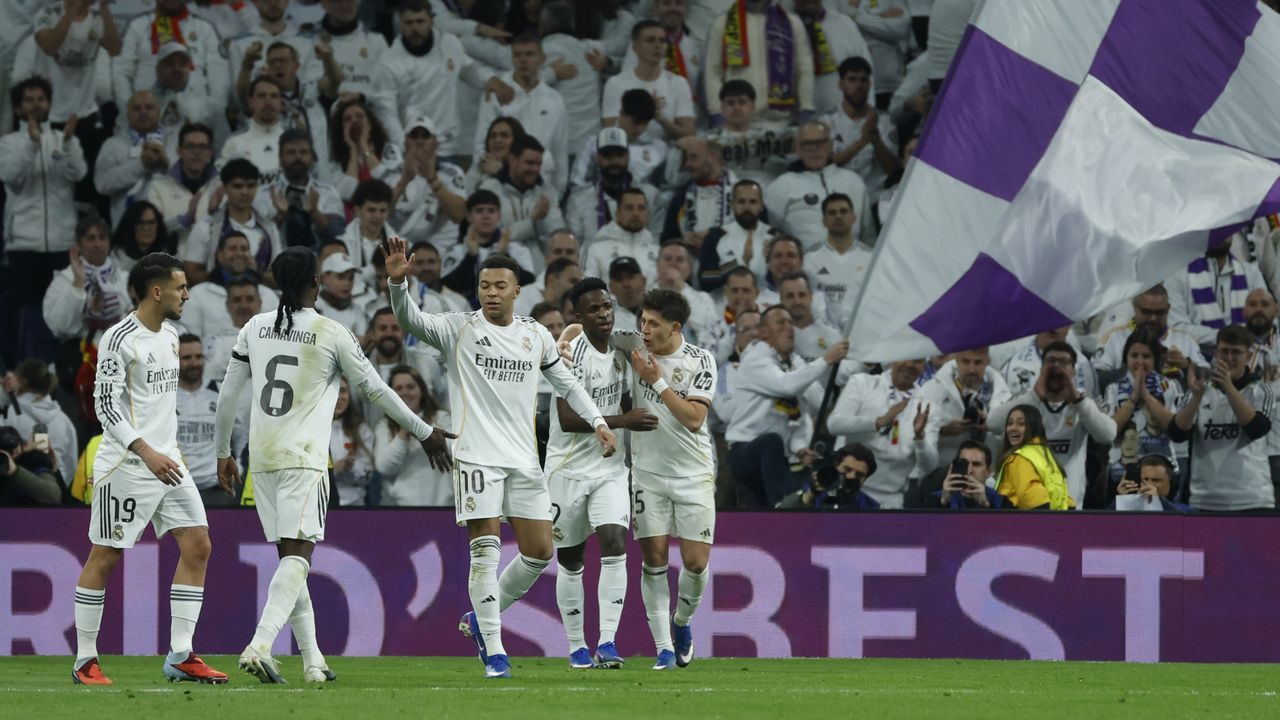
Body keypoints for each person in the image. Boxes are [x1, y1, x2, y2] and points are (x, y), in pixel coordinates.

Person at [212, 246, 453, 683]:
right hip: (305, 460)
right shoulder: (330, 331)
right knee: (300, 557)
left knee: (290, 558)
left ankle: (313, 663)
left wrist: (223, 452)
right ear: (313, 283)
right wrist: (424, 431)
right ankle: (260, 644)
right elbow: (377, 390)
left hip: (262, 460)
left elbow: (228, 395)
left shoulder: (255, 327)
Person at [385, 239, 616, 679]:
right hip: (476, 458)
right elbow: (408, 317)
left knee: (539, 552)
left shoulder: (535, 335)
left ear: (516, 292)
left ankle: (478, 621)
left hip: (525, 460)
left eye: (499, 286)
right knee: (485, 553)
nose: (490, 292)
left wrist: (600, 421)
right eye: (484, 285)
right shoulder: (458, 328)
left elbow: (567, 384)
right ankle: (494, 649)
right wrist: (399, 281)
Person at [72, 252, 228, 685]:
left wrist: (166, 452)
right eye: (180, 287)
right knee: (105, 556)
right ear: (156, 291)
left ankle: (181, 654)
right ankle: (85, 660)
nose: (187, 294)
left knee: (198, 544)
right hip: (128, 463)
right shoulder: (119, 338)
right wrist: (145, 451)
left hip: (168, 461)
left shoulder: (173, 336)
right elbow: (105, 407)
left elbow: (159, 407)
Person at [550, 277, 659, 669]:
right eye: (594, 309)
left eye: (607, 306)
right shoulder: (567, 354)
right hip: (567, 469)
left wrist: (635, 412)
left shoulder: (620, 350)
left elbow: (627, 397)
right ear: (578, 315)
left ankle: (608, 642)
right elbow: (564, 418)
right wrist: (624, 420)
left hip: (610, 469)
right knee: (571, 559)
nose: (604, 314)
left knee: (615, 543)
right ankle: (576, 644)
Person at [628, 288, 718, 670]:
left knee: (695, 563)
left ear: (675, 327)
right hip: (647, 472)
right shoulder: (630, 352)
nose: (645, 330)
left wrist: (657, 381)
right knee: (655, 558)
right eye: (642, 321)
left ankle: (681, 623)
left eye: (654, 324)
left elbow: (695, 419)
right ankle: (663, 646)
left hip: (694, 472)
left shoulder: (700, 360)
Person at [727, 304, 848, 508]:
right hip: (744, 453)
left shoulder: (793, 364)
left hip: (775, 461)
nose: (788, 327)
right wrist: (826, 359)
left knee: (764, 516)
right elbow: (787, 386)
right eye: (780, 322)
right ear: (764, 332)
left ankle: (783, 514)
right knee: (772, 443)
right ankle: (783, 509)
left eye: (791, 322)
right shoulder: (755, 359)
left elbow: (814, 404)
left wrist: (800, 449)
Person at [1, 76, 88, 358]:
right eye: (29, 100)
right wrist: (31, 143)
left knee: (62, 315)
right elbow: (10, 177)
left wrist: (69, 144)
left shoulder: (64, 138)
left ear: (49, 104)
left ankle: (62, 373)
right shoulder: (9, 143)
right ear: (17, 109)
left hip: (63, 244)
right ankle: (22, 375)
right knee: (25, 317)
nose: (36, 104)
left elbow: (79, 174)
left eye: (41, 99)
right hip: (24, 246)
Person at [371, 0, 512, 154]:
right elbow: (386, 112)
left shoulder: (449, 43)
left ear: (431, 20)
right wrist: (403, 147)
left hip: (450, 147)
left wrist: (489, 79)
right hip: (412, 148)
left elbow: (468, 67)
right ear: (400, 23)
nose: (415, 28)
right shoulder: (388, 62)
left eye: (420, 21)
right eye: (409, 23)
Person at [989, 341, 1117, 509]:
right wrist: (1033, 396)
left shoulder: (1083, 405)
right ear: (1041, 369)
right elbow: (993, 424)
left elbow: (1108, 435)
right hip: (1027, 504)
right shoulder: (1028, 401)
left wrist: (1078, 401)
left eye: (1064, 362)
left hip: (1069, 505)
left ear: (1073, 371)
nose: (1056, 367)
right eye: (1050, 361)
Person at [1168, 325, 1275, 512]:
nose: (1229, 358)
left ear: (1248, 357)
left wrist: (1228, 387)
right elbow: (1177, 433)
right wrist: (1196, 398)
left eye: (1236, 352)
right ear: (1216, 354)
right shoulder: (1199, 391)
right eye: (1224, 351)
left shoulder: (1260, 390)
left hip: (1252, 500)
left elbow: (1256, 428)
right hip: (1205, 500)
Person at [826, 358, 937, 508]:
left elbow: (929, 466)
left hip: (890, 500)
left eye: (917, 361)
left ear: (924, 367)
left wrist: (920, 438)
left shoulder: (927, 406)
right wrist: (878, 422)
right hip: (847, 486)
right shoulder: (862, 383)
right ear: (893, 358)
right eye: (906, 357)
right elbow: (834, 424)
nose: (910, 365)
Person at [475, 34, 569, 194]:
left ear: (542, 58)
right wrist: (499, 174)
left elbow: (560, 151)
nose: (523, 60)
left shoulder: (554, 99)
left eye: (529, 54)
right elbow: (481, 146)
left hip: (540, 187)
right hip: (500, 186)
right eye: (518, 55)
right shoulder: (497, 93)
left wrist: (557, 194)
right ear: (512, 59)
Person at [704, 0, 813, 129]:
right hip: (737, 124)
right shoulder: (724, 23)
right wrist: (716, 112)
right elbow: (713, 72)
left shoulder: (792, 23)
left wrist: (806, 108)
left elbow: (804, 70)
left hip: (783, 121)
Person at [764, 120, 873, 249]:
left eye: (819, 143)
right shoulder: (782, 186)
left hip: (854, 263)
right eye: (807, 144)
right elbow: (771, 230)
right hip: (804, 265)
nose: (814, 149)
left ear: (830, 146)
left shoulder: (854, 181)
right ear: (798, 149)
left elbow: (869, 234)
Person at [184, 159, 284, 285]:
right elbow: (191, 272)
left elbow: (280, 276)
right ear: (225, 188)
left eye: (250, 185)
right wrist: (224, 277)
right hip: (216, 297)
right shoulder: (205, 227)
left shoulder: (270, 229)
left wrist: (256, 275)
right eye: (238, 186)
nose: (245, 192)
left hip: (260, 299)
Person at [1103, 329, 1181, 482]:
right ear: (1126, 357)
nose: (1140, 361)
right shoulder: (1113, 389)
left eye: (1146, 356)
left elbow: (1175, 429)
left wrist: (1146, 396)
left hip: (1161, 471)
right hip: (1121, 471)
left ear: (1155, 359)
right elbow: (1109, 433)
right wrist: (1133, 398)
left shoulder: (1170, 386)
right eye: (1134, 355)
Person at [175, 334, 244, 507]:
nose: (194, 363)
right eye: (187, 358)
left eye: (198, 357)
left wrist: (240, 464)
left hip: (216, 489)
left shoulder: (221, 392)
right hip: (177, 488)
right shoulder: (165, 396)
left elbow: (240, 434)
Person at [478, 134, 566, 269]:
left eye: (539, 164)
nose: (536, 170)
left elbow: (555, 241)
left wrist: (541, 223)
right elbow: (491, 236)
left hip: (539, 273)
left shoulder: (547, 193)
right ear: (513, 159)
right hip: (499, 269)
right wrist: (532, 223)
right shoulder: (490, 189)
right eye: (530, 163)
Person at [42, 216, 131, 345]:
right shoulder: (64, 280)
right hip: (79, 353)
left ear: (109, 243)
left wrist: (118, 310)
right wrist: (78, 284)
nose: (97, 244)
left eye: (102, 238)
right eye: (90, 238)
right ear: (79, 244)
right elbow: (60, 327)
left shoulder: (124, 278)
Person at [565, 127, 661, 246]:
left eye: (619, 155)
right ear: (598, 158)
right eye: (607, 155)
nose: (614, 161)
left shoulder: (650, 195)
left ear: (628, 156)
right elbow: (574, 247)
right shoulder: (578, 199)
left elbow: (656, 242)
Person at [603, 19, 695, 142]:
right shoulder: (616, 83)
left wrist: (660, 118)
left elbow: (688, 134)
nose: (657, 46)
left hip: (667, 154)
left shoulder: (679, 83)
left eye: (662, 41)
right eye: (650, 40)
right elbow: (611, 134)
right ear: (635, 47)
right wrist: (644, 110)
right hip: (629, 155)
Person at [1166, 238, 1269, 347]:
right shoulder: (1176, 275)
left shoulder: (1251, 273)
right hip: (1196, 358)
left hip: (1247, 356)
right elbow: (1177, 328)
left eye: (1225, 226)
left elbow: (1268, 318)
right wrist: (1228, 338)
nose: (1221, 233)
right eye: (1215, 227)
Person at [919, 347, 1012, 465]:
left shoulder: (1001, 391)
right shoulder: (933, 389)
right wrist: (943, 431)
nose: (971, 369)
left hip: (987, 472)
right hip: (945, 470)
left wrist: (993, 425)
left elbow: (1012, 437)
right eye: (966, 361)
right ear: (956, 360)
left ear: (987, 361)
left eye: (978, 362)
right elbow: (917, 437)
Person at [375, 365, 452, 506]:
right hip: (400, 511)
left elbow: (455, 451)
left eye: (410, 387)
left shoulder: (441, 418)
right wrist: (405, 430)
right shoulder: (384, 425)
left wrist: (423, 431)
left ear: (421, 390)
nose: (405, 392)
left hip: (443, 508)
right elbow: (384, 467)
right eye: (398, 388)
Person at [256, 129, 345, 251]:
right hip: (277, 263)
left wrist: (314, 213)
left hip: (318, 264)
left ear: (312, 157)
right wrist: (280, 216)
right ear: (280, 158)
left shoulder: (328, 192)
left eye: (304, 152)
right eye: (291, 152)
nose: (298, 157)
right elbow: (256, 240)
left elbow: (338, 235)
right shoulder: (263, 194)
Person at [387, 115, 468, 246]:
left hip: (440, 250)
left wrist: (432, 179)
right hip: (399, 250)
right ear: (406, 142)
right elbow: (381, 213)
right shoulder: (391, 172)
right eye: (414, 136)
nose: (420, 141)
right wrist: (404, 181)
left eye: (425, 136)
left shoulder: (451, 173)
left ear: (435, 143)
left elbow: (459, 215)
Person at [1093, 285, 1207, 378]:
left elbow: (1211, 379)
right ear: (1134, 307)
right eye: (1146, 312)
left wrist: (1187, 366)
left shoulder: (1185, 341)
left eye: (1159, 313)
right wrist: (1132, 369)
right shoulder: (1114, 338)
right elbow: (1096, 378)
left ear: (1168, 309)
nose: (1153, 319)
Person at [568, 88, 665, 191]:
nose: (640, 129)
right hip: (595, 202)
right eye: (636, 122)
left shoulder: (656, 147)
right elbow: (577, 186)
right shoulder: (592, 144)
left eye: (645, 124)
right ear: (621, 114)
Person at [95, 90, 166, 228]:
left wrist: (165, 168)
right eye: (137, 108)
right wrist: (141, 165)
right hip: (126, 230)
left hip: (166, 228)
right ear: (127, 114)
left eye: (149, 107)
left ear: (159, 112)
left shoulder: (173, 142)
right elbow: (102, 184)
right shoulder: (112, 145)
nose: (143, 112)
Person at [3, 359, 77, 485]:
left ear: (23, 381)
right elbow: (71, 462)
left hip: (18, 487)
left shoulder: (10, 414)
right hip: (56, 491)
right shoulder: (63, 420)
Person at [803, 193, 872, 328]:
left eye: (844, 211)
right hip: (823, 333)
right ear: (823, 221)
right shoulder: (808, 259)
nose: (838, 216)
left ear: (853, 218)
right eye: (832, 212)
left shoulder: (871, 258)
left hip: (862, 330)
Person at [145, 123, 219, 248]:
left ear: (210, 152)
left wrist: (216, 214)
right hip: (172, 263)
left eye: (202, 147)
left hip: (210, 263)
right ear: (179, 151)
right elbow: (151, 230)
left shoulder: (221, 187)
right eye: (190, 146)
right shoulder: (157, 187)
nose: (196, 152)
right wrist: (185, 219)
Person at [793, 0, 873, 116]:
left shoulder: (844, 24)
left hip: (843, 122)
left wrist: (866, 114)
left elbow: (866, 73)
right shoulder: (781, 27)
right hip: (796, 120)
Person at [698, 179, 774, 294]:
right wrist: (737, 264)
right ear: (732, 204)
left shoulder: (775, 237)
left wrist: (773, 262)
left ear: (761, 206)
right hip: (725, 305)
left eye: (752, 202)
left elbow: (786, 279)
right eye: (741, 202)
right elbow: (705, 278)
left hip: (766, 303)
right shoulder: (715, 236)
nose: (746, 208)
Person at [662, 137, 736, 250]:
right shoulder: (681, 197)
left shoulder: (742, 192)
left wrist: (715, 236)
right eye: (687, 158)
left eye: (693, 157)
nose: (687, 164)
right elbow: (667, 240)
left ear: (712, 158)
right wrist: (683, 241)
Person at [994, 404, 1073, 510]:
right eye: (1010, 423)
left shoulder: (1020, 458)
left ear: (1033, 427)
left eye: (1021, 424)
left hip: (1023, 524)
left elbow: (1035, 501)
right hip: (1059, 522)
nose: (1013, 428)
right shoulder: (1046, 455)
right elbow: (1068, 502)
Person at [582, 188, 660, 285]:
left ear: (647, 214)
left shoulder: (658, 253)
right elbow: (589, 288)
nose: (636, 213)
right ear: (617, 213)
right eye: (629, 208)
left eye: (641, 208)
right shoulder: (596, 250)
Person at [219, 78, 288, 184]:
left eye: (274, 96)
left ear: (281, 103)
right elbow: (220, 183)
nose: (268, 102)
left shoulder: (294, 139)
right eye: (261, 96)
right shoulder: (234, 142)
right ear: (250, 102)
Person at [775, 443, 880, 510]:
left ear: (865, 479)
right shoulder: (810, 490)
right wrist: (809, 496)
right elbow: (780, 519)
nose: (851, 477)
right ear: (836, 466)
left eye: (859, 475)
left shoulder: (871, 507)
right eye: (847, 469)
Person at [330, 377, 376, 506]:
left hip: (354, 507)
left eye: (343, 391)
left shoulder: (362, 430)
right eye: (333, 391)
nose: (339, 397)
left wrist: (350, 467)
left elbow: (368, 475)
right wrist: (333, 471)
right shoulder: (311, 429)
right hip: (321, 507)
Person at [778, 272, 841, 362]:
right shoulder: (774, 339)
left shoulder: (833, 336)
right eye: (790, 296)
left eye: (802, 295)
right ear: (781, 300)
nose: (797, 301)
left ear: (811, 297)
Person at [932, 440, 1007, 510]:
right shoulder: (934, 499)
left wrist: (986, 506)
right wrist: (943, 503)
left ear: (988, 471)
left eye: (976, 464)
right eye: (965, 464)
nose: (969, 471)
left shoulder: (1001, 502)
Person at [111, 201, 176, 273]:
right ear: (131, 226)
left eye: (151, 223)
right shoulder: (118, 257)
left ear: (158, 226)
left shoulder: (167, 255)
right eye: (140, 223)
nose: (146, 228)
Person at [1112, 454, 1189, 512]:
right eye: (1145, 479)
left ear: (1171, 483)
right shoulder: (1121, 504)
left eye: (1156, 480)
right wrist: (1122, 500)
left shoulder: (1179, 512)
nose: (1149, 485)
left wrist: (1156, 502)